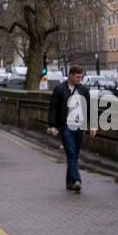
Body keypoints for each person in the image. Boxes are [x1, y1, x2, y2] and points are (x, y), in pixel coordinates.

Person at [47, 65, 98, 194]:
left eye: (81, 77)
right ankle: (77, 180)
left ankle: (69, 182)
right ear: (71, 75)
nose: (79, 79)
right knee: (71, 152)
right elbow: (53, 108)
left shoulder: (83, 90)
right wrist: (52, 125)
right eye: (77, 77)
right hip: (66, 126)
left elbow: (89, 108)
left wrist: (92, 125)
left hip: (79, 125)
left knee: (74, 154)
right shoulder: (59, 89)